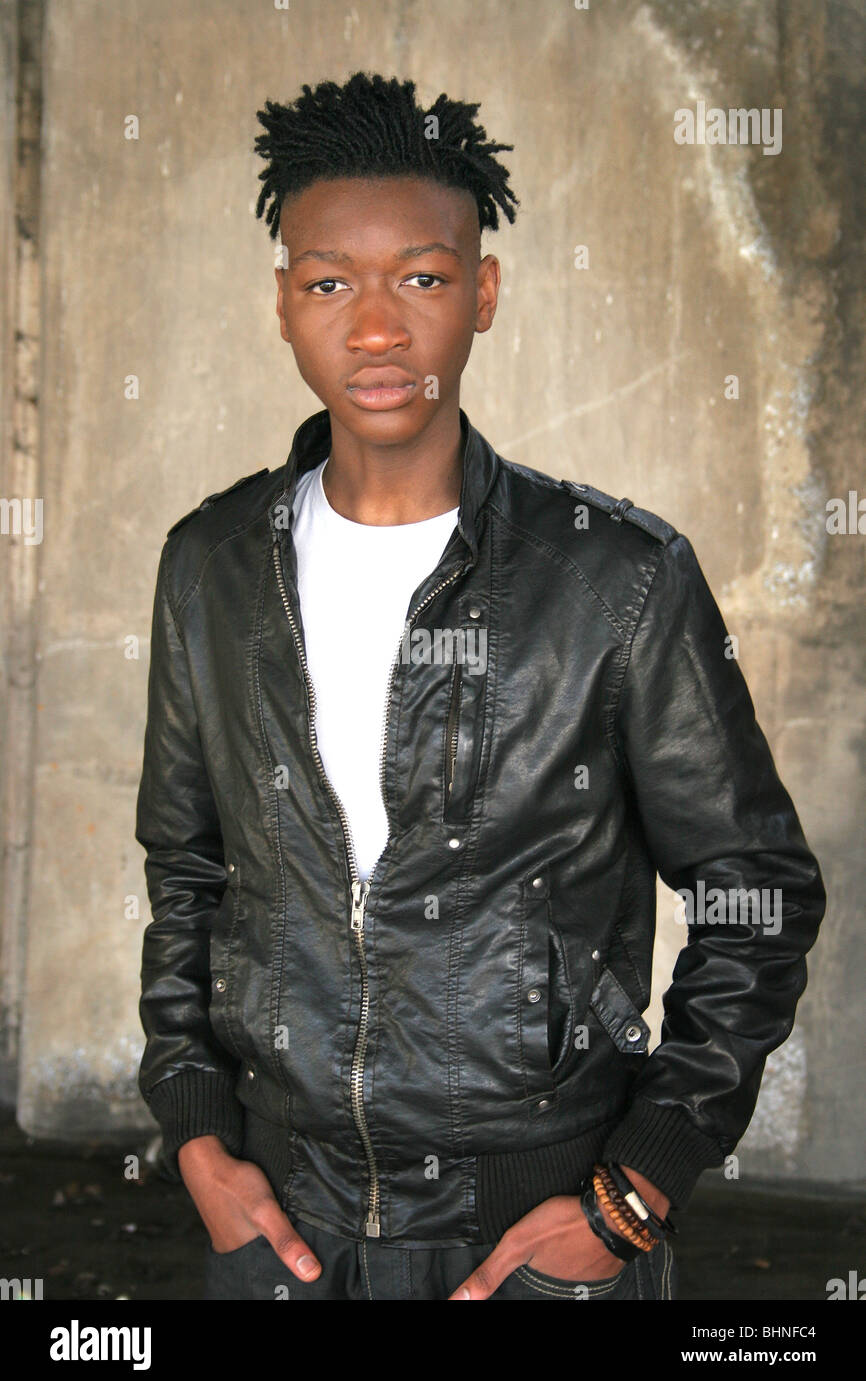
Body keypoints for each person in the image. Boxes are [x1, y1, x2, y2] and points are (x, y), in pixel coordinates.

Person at [134, 71, 826, 1302]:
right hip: (275, 1221)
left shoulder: (616, 578)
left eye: (423, 277)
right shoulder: (210, 568)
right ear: (284, 307)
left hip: (536, 1231)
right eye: (329, 282)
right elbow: (186, 867)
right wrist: (193, 1128)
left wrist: (634, 1191)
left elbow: (752, 891)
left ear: (483, 294)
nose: (379, 327)